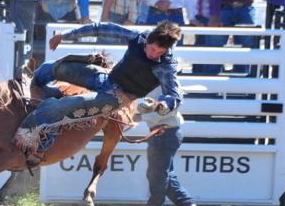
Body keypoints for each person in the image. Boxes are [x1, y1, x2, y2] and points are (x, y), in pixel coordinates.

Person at [13, 21, 183, 168]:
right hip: (105, 78)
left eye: (159, 52)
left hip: (116, 98)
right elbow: (102, 28)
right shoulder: (139, 37)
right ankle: (29, 93)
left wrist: (163, 105)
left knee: (60, 106)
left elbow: (174, 95)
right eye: (152, 49)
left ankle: (36, 141)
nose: (153, 54)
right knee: (51, 67)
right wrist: (64, 35)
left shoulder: (166, 66)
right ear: (148, 40)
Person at [137, 88, 196, 206]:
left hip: (163, 132)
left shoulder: (161, 88)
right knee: (163, 172)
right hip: (167, 132)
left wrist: (138, 117)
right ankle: (184, 202)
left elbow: (166, 111)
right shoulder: (165, 86)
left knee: (157, 174)